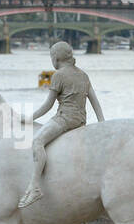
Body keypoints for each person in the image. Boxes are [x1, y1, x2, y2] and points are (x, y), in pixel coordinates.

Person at [18, 41, 104, 207]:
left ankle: (35, 186)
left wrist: (29, 118)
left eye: (51, 56)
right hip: (80, 120)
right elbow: (95, 101)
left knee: (37, 142)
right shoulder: (83, 75)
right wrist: (101, 122)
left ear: (56, 58)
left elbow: (48, 105)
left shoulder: (58, 75)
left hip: (65, 118)